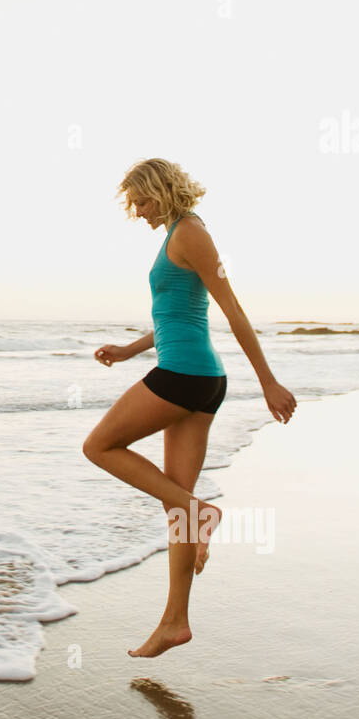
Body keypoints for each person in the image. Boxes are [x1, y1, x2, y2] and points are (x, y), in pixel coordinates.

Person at [83, 158, 297, 658]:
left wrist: (268, 382)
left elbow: (232, 309)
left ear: (161, 190)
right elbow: (177, 314)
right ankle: (175, 621)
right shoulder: (177, 235)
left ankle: (203, 513)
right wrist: (128, 351)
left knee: (99, 446)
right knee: (175, 500)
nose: (136, 212)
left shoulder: (190, 234)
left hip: (184, 377)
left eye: (141, 200)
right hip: (197, 377)